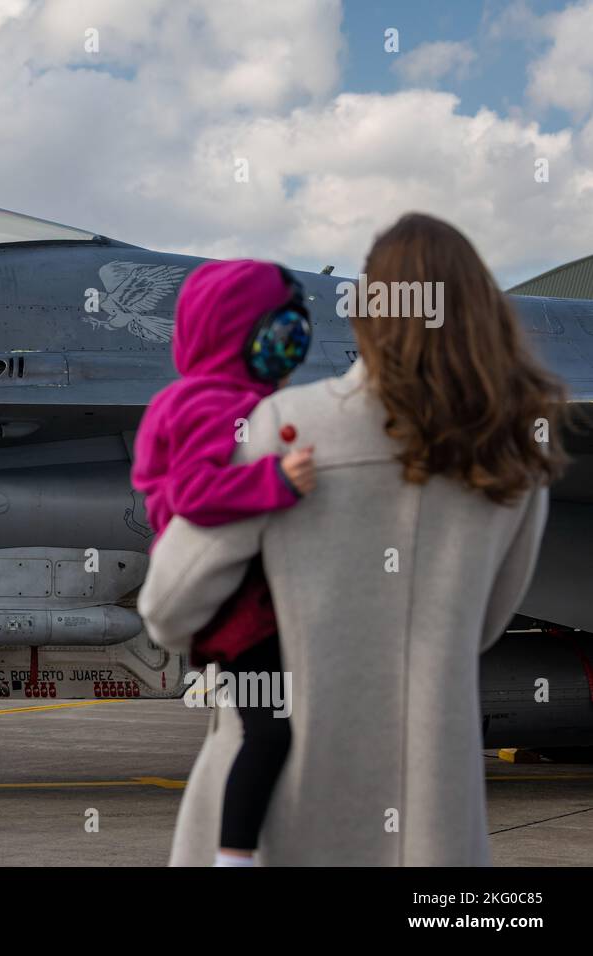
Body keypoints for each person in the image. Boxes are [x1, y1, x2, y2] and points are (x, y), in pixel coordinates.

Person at [139, 213, 567, 865]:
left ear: (365, 314)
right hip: (433, 826)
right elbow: (479, 629)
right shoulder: (515, 457)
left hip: (276, 826)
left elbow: (170, 607)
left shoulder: (283, 426)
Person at [131, 259, 316, 867]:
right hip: (238, 605)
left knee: (271, 729)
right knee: (274, 731)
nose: (294, 339)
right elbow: (193, 496)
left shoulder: (211, 396)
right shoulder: (211, 402)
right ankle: (234, 858)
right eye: (280, 325)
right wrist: (278, 480)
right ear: (244, 332)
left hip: (238, 598)